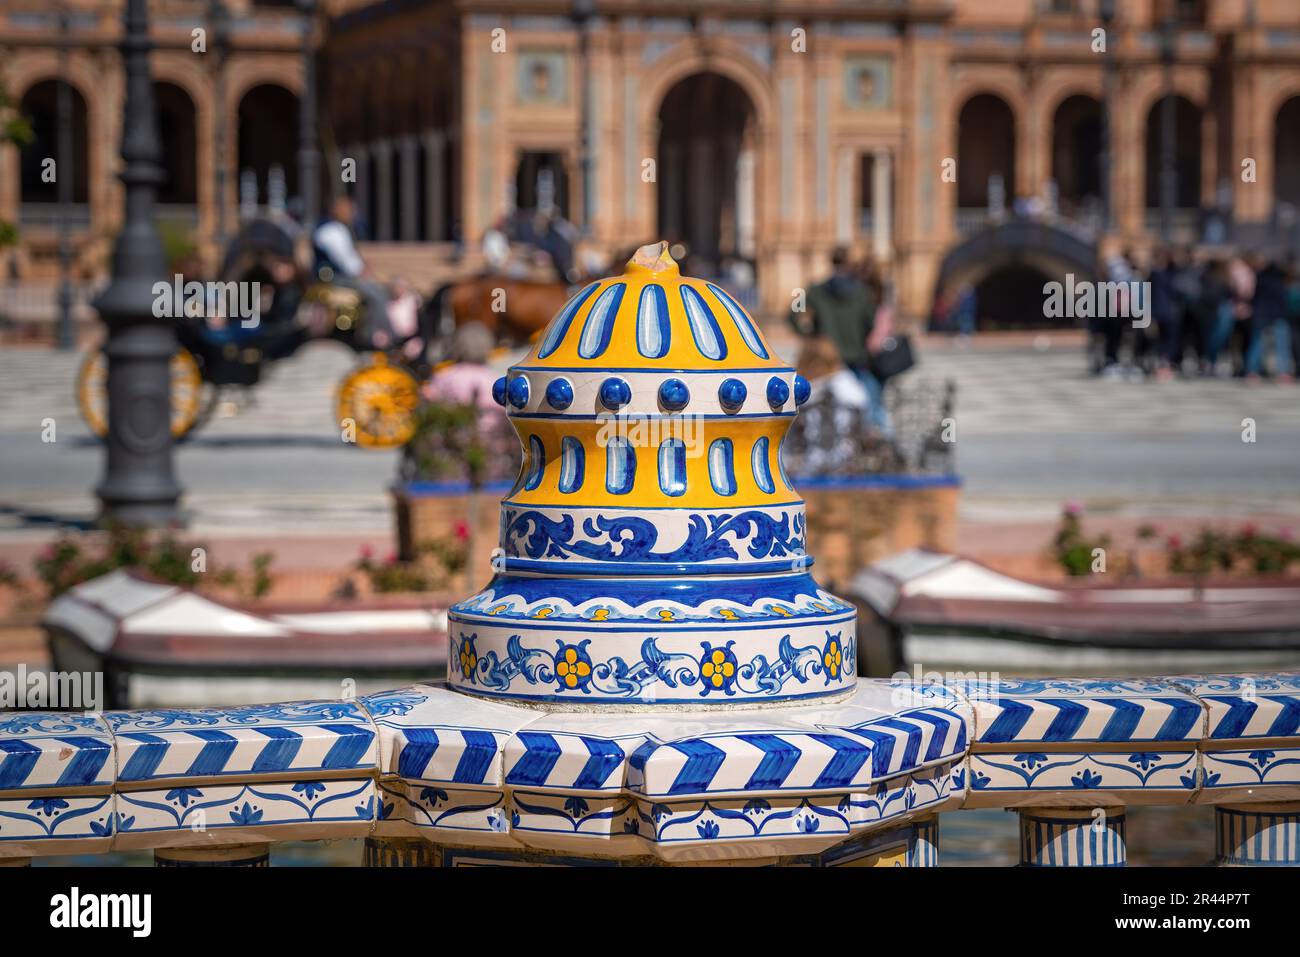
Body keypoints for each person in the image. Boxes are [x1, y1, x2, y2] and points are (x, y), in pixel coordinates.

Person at [789, 247, 889, 433]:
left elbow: (794, 312)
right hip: (855, 359)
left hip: (826, 362)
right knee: (867, 407)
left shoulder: (816, 290)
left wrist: (809, 335)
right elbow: (870, 321)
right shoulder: (861, 292)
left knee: (819, 412)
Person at [312, 195, 395, 348]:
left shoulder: (340, 229)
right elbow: (346, 261)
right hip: (334, 278)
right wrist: (362, 271)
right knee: (376, 293)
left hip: (342, 275)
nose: (353, 214)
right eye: (350, 210)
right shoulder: (331, 230)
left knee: (379, 290)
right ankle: (381, 337)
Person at [1247, 254, 1294, 382]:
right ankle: (1283, 372)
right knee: (1281, 345)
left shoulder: (1260, 277)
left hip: (1262, 313)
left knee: (1257, 343)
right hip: (1278, 314)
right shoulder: (1281, 279)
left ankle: (1252, 371)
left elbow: (1255, 297)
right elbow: (1284, 299)